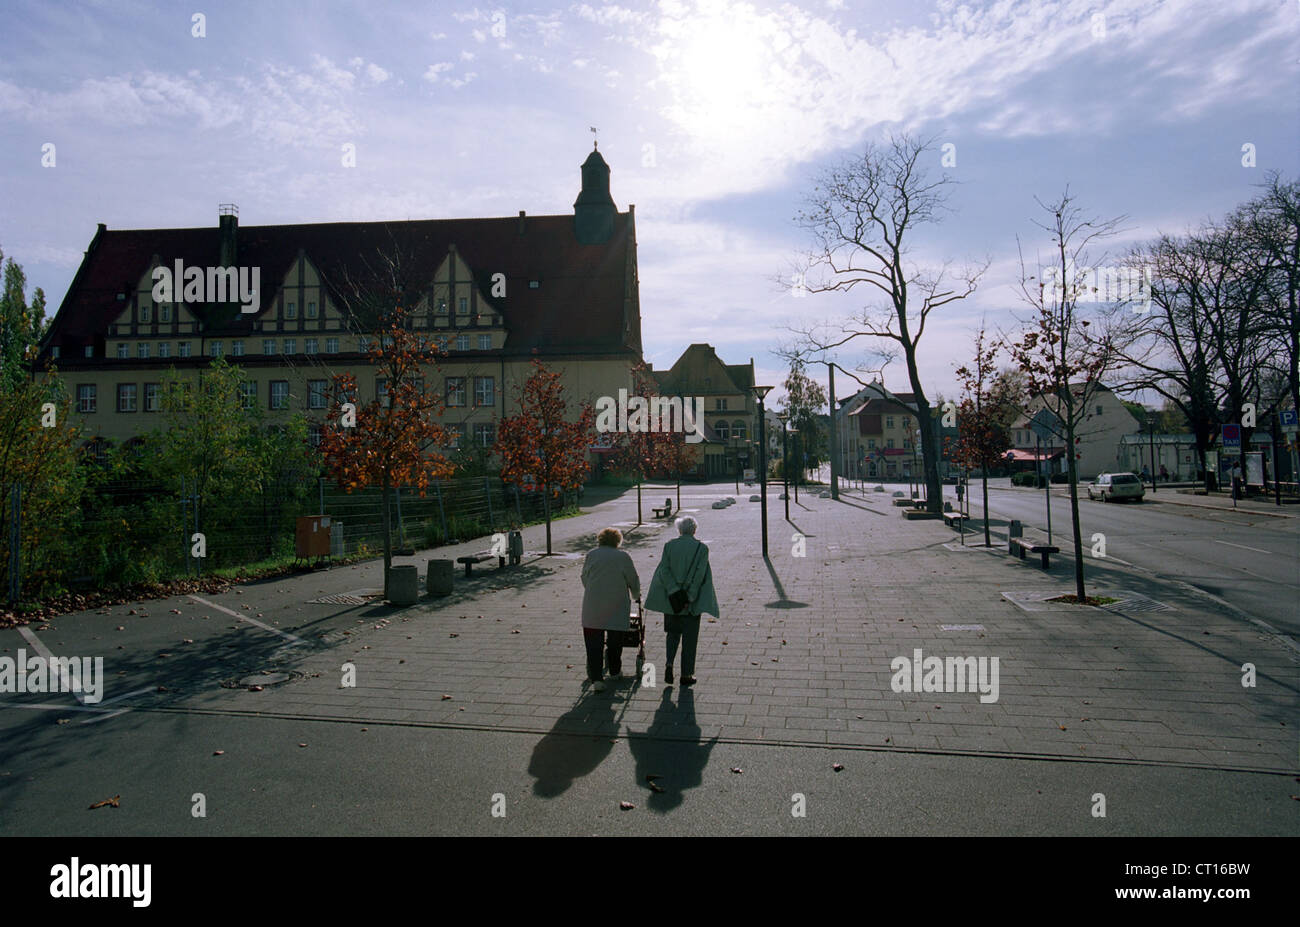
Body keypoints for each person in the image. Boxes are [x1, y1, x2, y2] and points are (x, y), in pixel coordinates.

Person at [645, 516, 718, 686]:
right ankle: (686, 674)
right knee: (690, 638)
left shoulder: (669, 546)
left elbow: (664, 570)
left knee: (672, 634)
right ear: (694, 530)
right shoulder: (702, 548)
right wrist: (689, 597)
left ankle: (669, 663)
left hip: (672, 601)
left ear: (679, 530)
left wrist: (674, 591)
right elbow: (700, 575)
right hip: (691, 602)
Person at [580, 528, 641, 693]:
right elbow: (632, 579)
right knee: (615, 641)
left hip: (593, 605)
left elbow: (584, 577)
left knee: (593, 643)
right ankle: (614, 670)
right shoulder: (623, 557)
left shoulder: (591, 555)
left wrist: (592, 588)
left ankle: (597, 678)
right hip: (616, 604)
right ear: (617, 541)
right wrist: (636, 594)